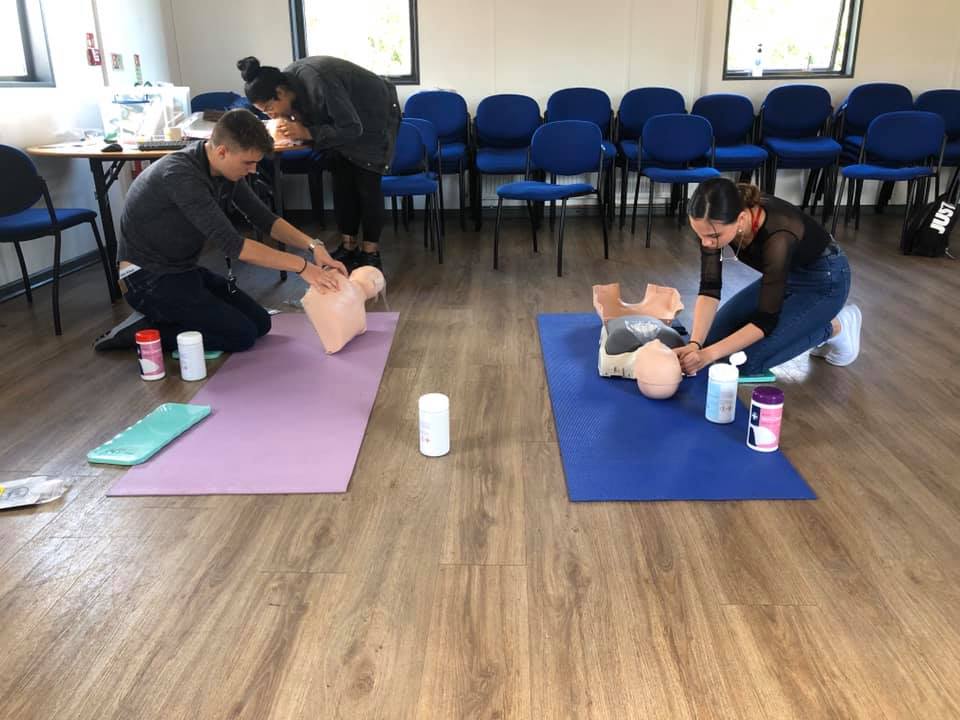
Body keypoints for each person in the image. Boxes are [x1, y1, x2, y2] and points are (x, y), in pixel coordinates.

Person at [94, 109, 347, 352]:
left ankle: (167, 317)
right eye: (248, 162)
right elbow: (236, 246)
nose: (253, 170)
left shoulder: (223, 169)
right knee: (240, 336)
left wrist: (314, 246)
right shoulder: (181, 175)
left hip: (182, 270)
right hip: (145, 278)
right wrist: (303, 267)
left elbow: (265, 219)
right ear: (222, 151)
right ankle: (143, 330)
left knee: (261, 323)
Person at [676, 178, 862, 378]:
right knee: (710, 342)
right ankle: (812, 319)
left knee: (743, 363)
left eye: (713, 236)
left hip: (825, 280)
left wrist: (707, 355)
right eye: (700, 235)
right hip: (785, 274)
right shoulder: (714, 224)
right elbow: (710, 288)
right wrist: (696, 345)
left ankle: (836, 326)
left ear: (740, 220)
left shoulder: (779, 235)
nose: (706, 243)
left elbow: (766, 320)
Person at [236, 55, 401, 272]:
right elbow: (316, 117)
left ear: (280, 92)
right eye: (264, 112)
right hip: (345, 124)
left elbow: (352, 128)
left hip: (375, 116)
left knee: (367, 185)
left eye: (269, 108)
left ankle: (371, 253)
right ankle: (348, 247)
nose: (271, 114)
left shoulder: (319, 81)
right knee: (342, 183)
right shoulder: (291, 83)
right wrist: (296, 127)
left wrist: (307, 132)